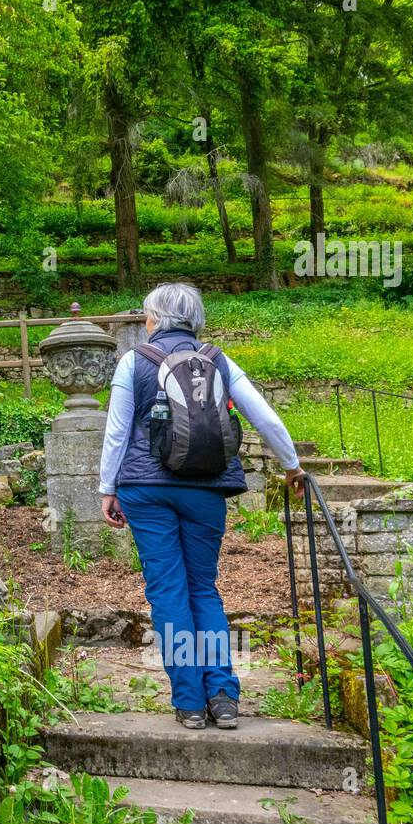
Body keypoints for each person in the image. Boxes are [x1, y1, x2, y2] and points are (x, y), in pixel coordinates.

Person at [98, 283, 306, 730]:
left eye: (146, 315)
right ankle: (224, 697)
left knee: (168, 592)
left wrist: (107, 488)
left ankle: (190, 703)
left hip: (145, 489)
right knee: (204, 589)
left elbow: (116, 433)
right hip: (207, 488)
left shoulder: (134, 360)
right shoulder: (218, 359)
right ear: (195, 320)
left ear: (154, 319)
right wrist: (291, 466)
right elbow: (264, 416)